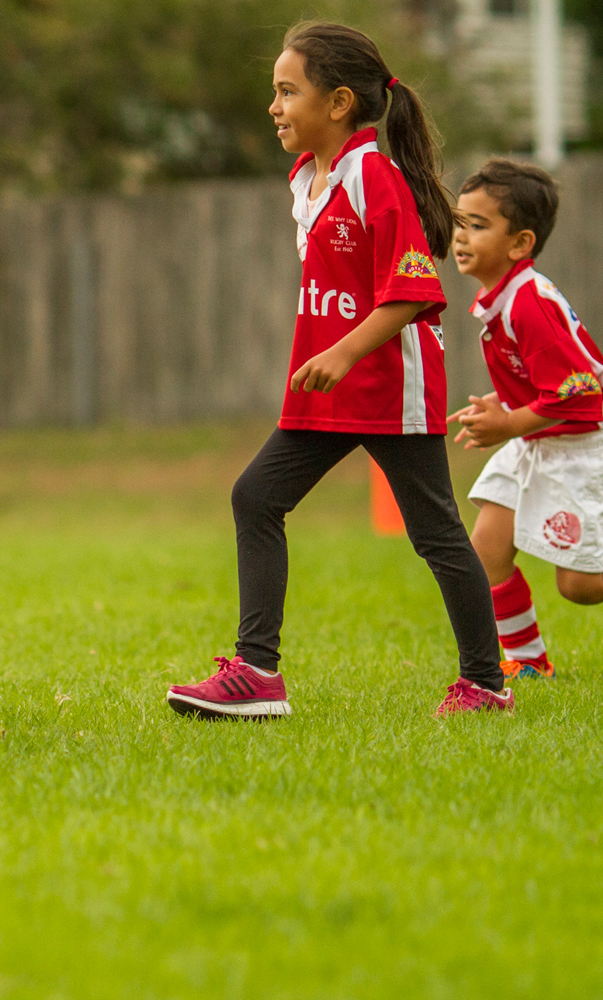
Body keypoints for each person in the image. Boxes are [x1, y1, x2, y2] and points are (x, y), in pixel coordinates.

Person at [167, 21, 509, 720]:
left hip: (391, 389)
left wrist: (344, 351)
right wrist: (330, 357)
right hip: (335, 388)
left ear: (340, 103)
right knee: (256, 497)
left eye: (288, 91)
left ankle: (486, 686)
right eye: (274, 92)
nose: (274, 106)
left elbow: (414, 291)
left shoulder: (372, 177)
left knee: (437, 535)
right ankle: (258, 673)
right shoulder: (310, 179)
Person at [449, 159, 603, 680]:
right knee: (487, 550)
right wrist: (500, 406)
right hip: (538, 441)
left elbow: (580, 392)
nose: (461, 236)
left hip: (580, 445)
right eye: (459, 221)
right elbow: (545, 380)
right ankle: (528, 661)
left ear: (520, 243)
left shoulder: (529, 303)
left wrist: (507, 425)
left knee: (579, 587)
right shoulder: (503, 298)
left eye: (478, 224)